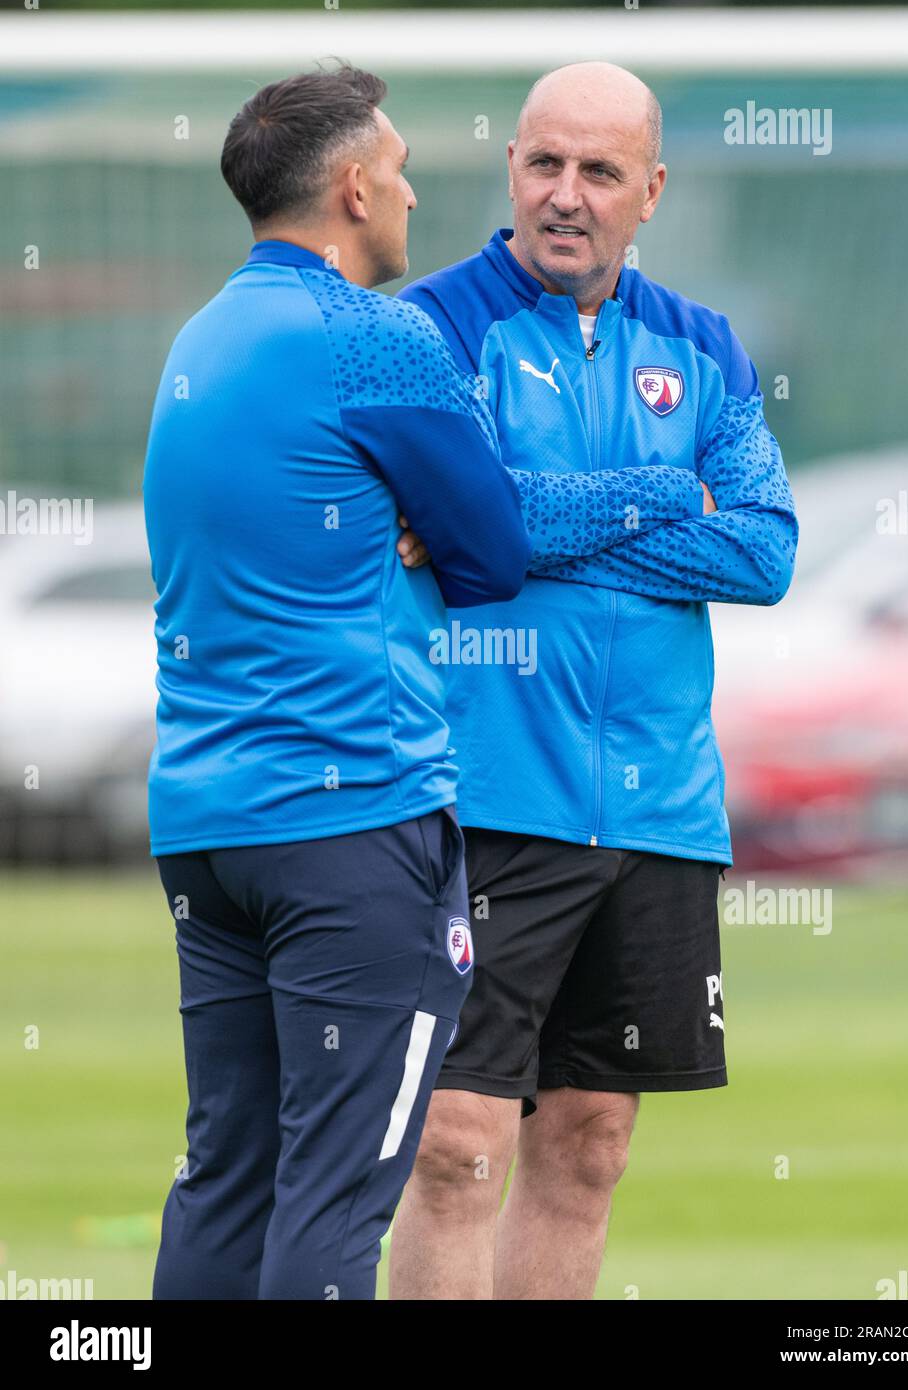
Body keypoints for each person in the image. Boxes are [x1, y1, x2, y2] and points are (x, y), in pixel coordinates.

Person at [389, 61, 798, 1300]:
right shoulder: (432, 325)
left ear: (650, 190)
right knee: (457, 1147)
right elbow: (471, 521)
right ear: (510, 165)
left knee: (589, 1144)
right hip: (487, 795)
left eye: (598, 171)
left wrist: (540, 521)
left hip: (658, 803)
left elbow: (764, 549)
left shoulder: (703, 343)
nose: (564, 195)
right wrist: (662, 491)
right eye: (543, 163)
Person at [142, 63, 530, 1301]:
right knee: (337, 1190)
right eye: (401, 164)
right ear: (354, 187)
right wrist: (412, 527)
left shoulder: (197, 339)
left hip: (206, 826)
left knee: (229, 1175)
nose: (414, 188)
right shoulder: (376, 336)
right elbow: (496, 549)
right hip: (350, 823)